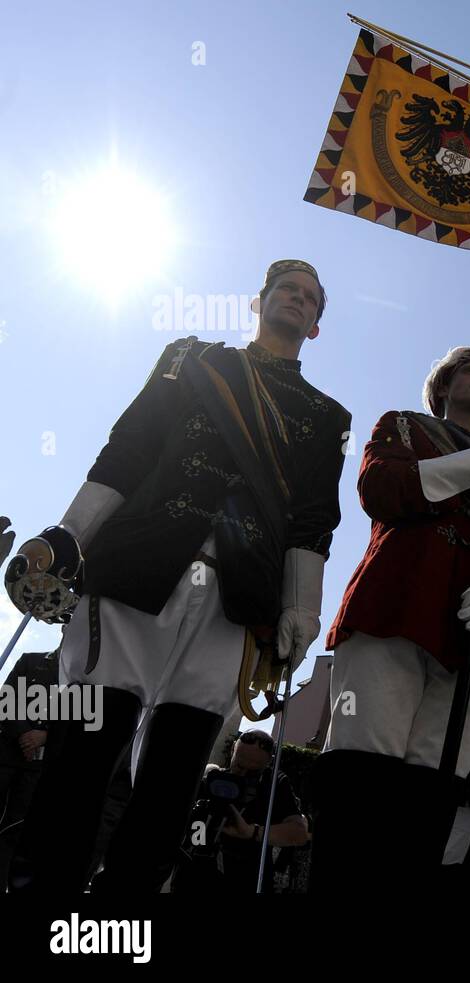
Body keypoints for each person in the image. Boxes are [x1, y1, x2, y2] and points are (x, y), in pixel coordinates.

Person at [5, 259, 349, 893]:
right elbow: (129, 447)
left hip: (236, 599)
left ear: (318, 325)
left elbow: (312, 520)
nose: (296, 301)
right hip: (137, 566)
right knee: (82, 756)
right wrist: (68, 535)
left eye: (309, 298)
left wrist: (302, 607)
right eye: (286, 290)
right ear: (258, 301)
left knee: (173, 778)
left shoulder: (328, 416)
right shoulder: (192, 357)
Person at [310, 346, 470, 893]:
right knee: (362, 782)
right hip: (394, 611)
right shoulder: (403, 426)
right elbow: (383, 490)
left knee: (431, 800)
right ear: (443, 385)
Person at [172, 730, 308, 894]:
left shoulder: (274, 785)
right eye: (239, 766)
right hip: (193, 874)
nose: (242, 776)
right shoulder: (213, 780)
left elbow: (299, 833)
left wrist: (251, 831)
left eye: (253, 772)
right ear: (232, 751)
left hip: (245, 879)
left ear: (269, 762)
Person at [0, 647, 59, 881]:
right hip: (6, 754)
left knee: (15, 831)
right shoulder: (31, 660)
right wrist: (25, 734)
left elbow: (83, 719)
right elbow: (6, 699)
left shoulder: (84, 676)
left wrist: (47, 736)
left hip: (39, 770)